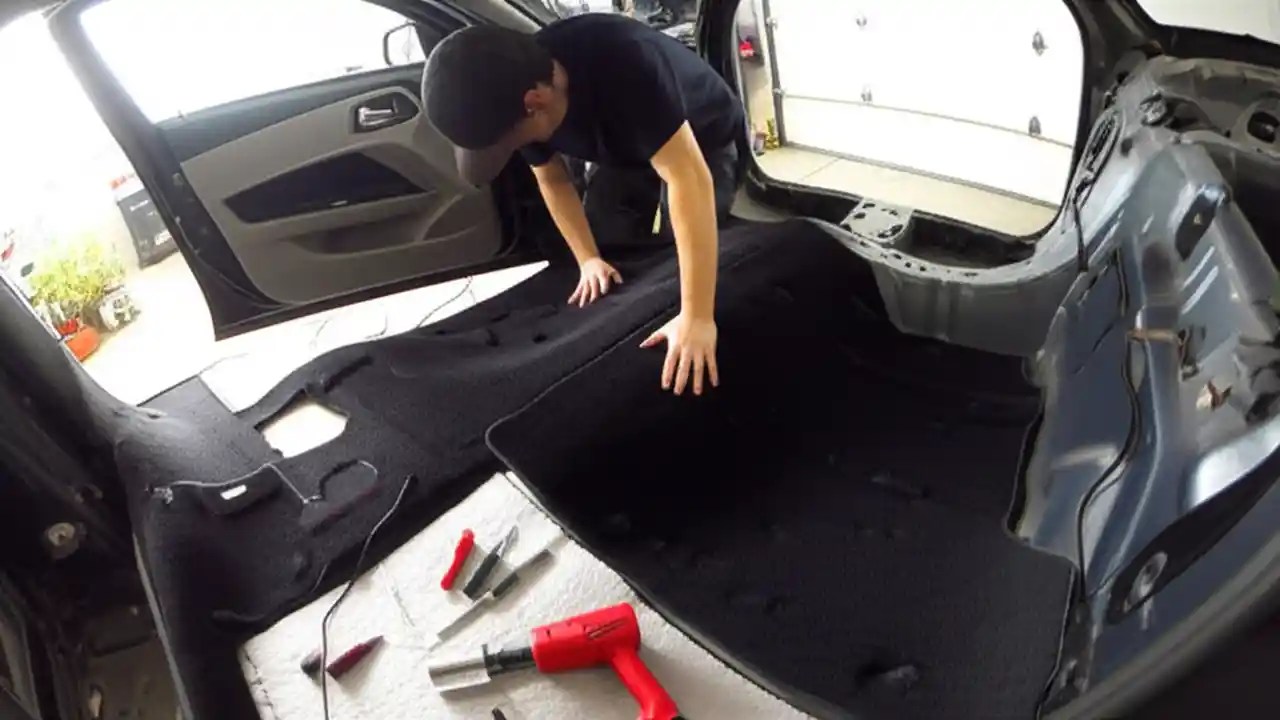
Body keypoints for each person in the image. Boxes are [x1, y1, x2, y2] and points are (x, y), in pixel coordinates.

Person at [422, 14, 745, 396]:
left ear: (535, 103)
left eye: (508, 142)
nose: (514, 150)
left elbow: (687, 178)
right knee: (613, 253)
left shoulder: (625, 63)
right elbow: (553, 178)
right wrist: (588, 258)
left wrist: (697, 317)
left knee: (688, 261)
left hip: (700, 139)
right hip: (624, 151)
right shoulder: (513, 94)